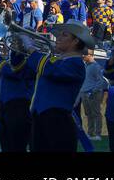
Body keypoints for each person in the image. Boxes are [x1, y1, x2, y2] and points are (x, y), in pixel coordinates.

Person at [22, 21, 93, 153]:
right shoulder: (55, 61)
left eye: (64, 35)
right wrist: (19, 48)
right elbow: (22, 72)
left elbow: (50, 70)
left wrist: (30, 47)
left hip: (58, 122)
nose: (58, 37)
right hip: (39, 119)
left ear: (76, 41)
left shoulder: (76, 64)